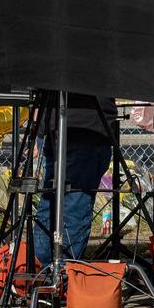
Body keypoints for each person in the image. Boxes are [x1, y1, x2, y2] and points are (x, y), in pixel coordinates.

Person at [33, 94, 117, 268]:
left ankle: (42, 271)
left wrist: (37, 127)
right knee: (72, 203)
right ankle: (60, 272)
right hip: (85, 125)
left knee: (52, 201)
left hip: (58, 121)